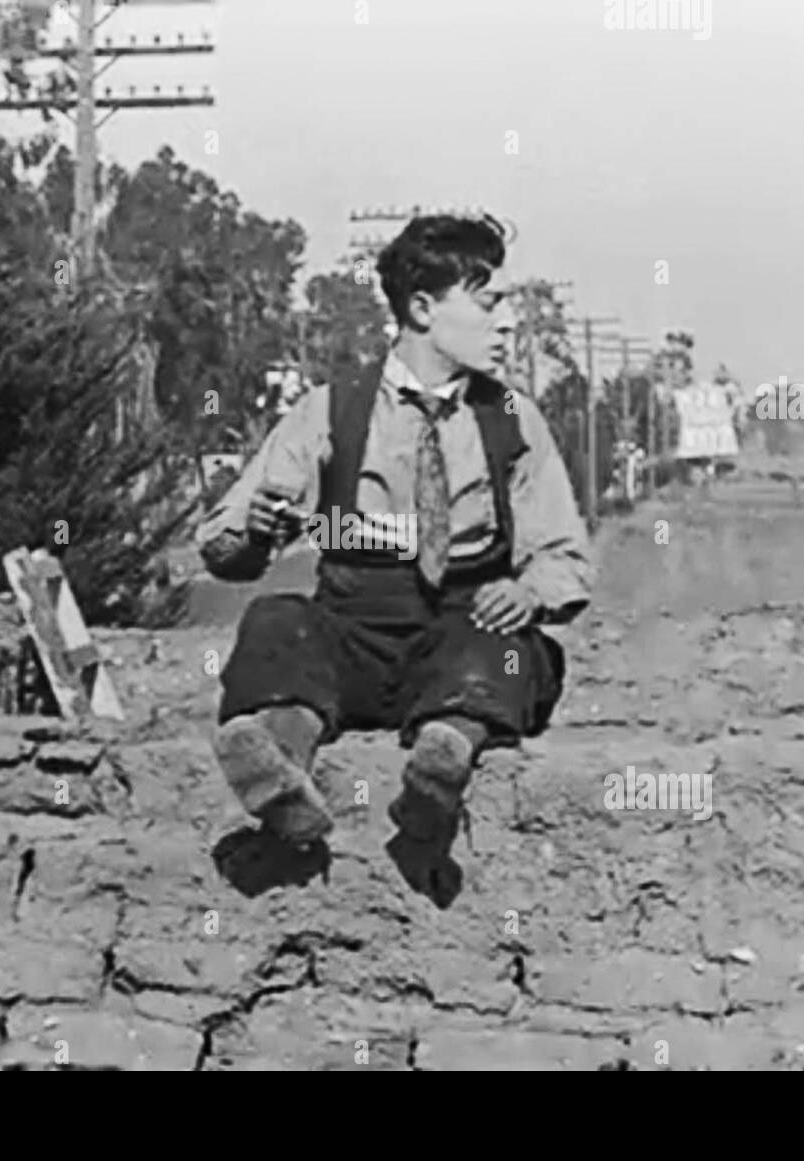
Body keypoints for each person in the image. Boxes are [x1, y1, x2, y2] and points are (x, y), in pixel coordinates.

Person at [196, 214, 594, 886]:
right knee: (279, 623)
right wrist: (258, 528)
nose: (504, 325)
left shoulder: (513, 420)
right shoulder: (331, 410)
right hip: (354, 630)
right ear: (422, 308)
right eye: (487, 303)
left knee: (506, 652)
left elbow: (562, 552)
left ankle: (442, 764)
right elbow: (224, 544)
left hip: (462, 628)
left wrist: (529, 591)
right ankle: (280, 766)